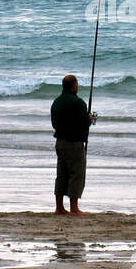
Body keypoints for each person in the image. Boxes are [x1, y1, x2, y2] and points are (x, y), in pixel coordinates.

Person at [51, 74, 95, 215]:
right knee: (76, 174)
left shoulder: (56, 102)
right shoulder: (78, 103)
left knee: (62, 174)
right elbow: (84, 123)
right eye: (77, 84)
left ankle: (59, 208)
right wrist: (89, 119)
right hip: (74, 143)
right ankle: (74, 208)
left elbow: (54, 123)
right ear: (73, 85)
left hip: (60, 143)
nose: (78, 86)